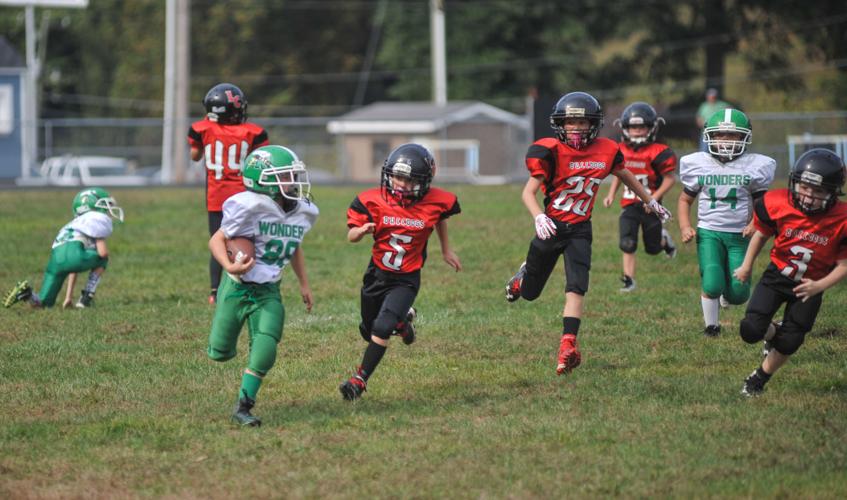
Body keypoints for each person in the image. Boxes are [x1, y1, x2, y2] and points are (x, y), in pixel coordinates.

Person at [504, 92, 671, 376]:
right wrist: (539, 216)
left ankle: (568, 344)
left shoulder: (605, 150)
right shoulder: (550, 151)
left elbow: (624, 173)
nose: (577, 128)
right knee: (531, 293)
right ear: (560, 124)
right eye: (571, 122)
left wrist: (649, 200)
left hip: (580, 229)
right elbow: (528, 192)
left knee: (577, 285)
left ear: (593, 124)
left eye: (582, 122)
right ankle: (522, 278)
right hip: (552, 226)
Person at [339, 143, 462, 401]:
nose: (401, 184)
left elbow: (439, 216)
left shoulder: (437, 201)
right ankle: (403, 323)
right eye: (396, 177)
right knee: (368, 329)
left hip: (405, 279)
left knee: (382, 328)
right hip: (376, 275)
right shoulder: (371, 200)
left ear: (424, 181)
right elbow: (350, 235)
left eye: (409, 179)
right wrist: (360, 232)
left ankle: (359, 380)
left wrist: (446, 250)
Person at [206, 145, 317, 426]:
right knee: (220, 352)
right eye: (286, 176)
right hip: (237, 286)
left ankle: (244, 405)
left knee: (266, 345)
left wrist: (304, 283)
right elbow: (216, 240)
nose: (294, 182)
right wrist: (229, 267)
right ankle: (223, 349)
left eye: (293, 175)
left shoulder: (302, 211)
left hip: (269, 290)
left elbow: (294, 246)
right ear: (263, 181)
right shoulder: (248, 206)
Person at [733, 149, 847, 397]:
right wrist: (746, 265)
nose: (809, 196)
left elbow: (844, 266)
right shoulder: (778, 202)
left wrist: (819, 287)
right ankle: (771, 331)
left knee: (790, 342)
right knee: (750, 329)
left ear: (833, 192)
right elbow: (761, 234)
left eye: (818, 191)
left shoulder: (842, 219)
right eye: (805, 187)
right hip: (777, 276)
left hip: (811, 285)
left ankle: (758, 379)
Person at [677, 108, 776, 337]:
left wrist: (755, 222)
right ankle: (711, 326)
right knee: (711, 282)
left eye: (733, 135)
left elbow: (761, 203)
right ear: (709, 136)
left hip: (740, 235)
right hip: (709, 231)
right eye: (721, 135)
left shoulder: (754, 166)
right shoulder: (699, 163)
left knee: (739, 294)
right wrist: (684, 226)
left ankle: (726, 295)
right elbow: (684, 199)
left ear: (745, 138)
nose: (726, 141)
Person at [188, 82, 269, 304]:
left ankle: (214, 292)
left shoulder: (202, 129)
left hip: (216, 197)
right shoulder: (254, 132)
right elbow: (259, 162)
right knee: (249, 241)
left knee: (218, 242)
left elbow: (195, 156)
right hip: (245, 197)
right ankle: (251, 283)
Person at [4, 187, 124, 309]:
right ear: (92, 206)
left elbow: (71, 267)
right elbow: (103, 253)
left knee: (43, 303)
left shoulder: (74, 223)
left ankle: (26, 293)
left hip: (56, 259)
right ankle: (86, 298)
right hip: (74, 255)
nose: (108, 209)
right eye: (105, 204)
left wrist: (68, 297)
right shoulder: (96, 219)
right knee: (103, 259)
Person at [603, 101, 678, 292]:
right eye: (633, 127)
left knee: (652, 248)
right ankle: (629, 280)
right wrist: (611, 194)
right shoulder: (621, 150)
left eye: (641, 127)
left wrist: (654, 199)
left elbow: (670, 179)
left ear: (651, 127)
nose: (637, 131)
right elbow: (621, 174)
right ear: (625, 127)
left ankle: (663, 240)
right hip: (629, 205)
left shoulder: (659, 152)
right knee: (627, 242)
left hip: (651, 206)